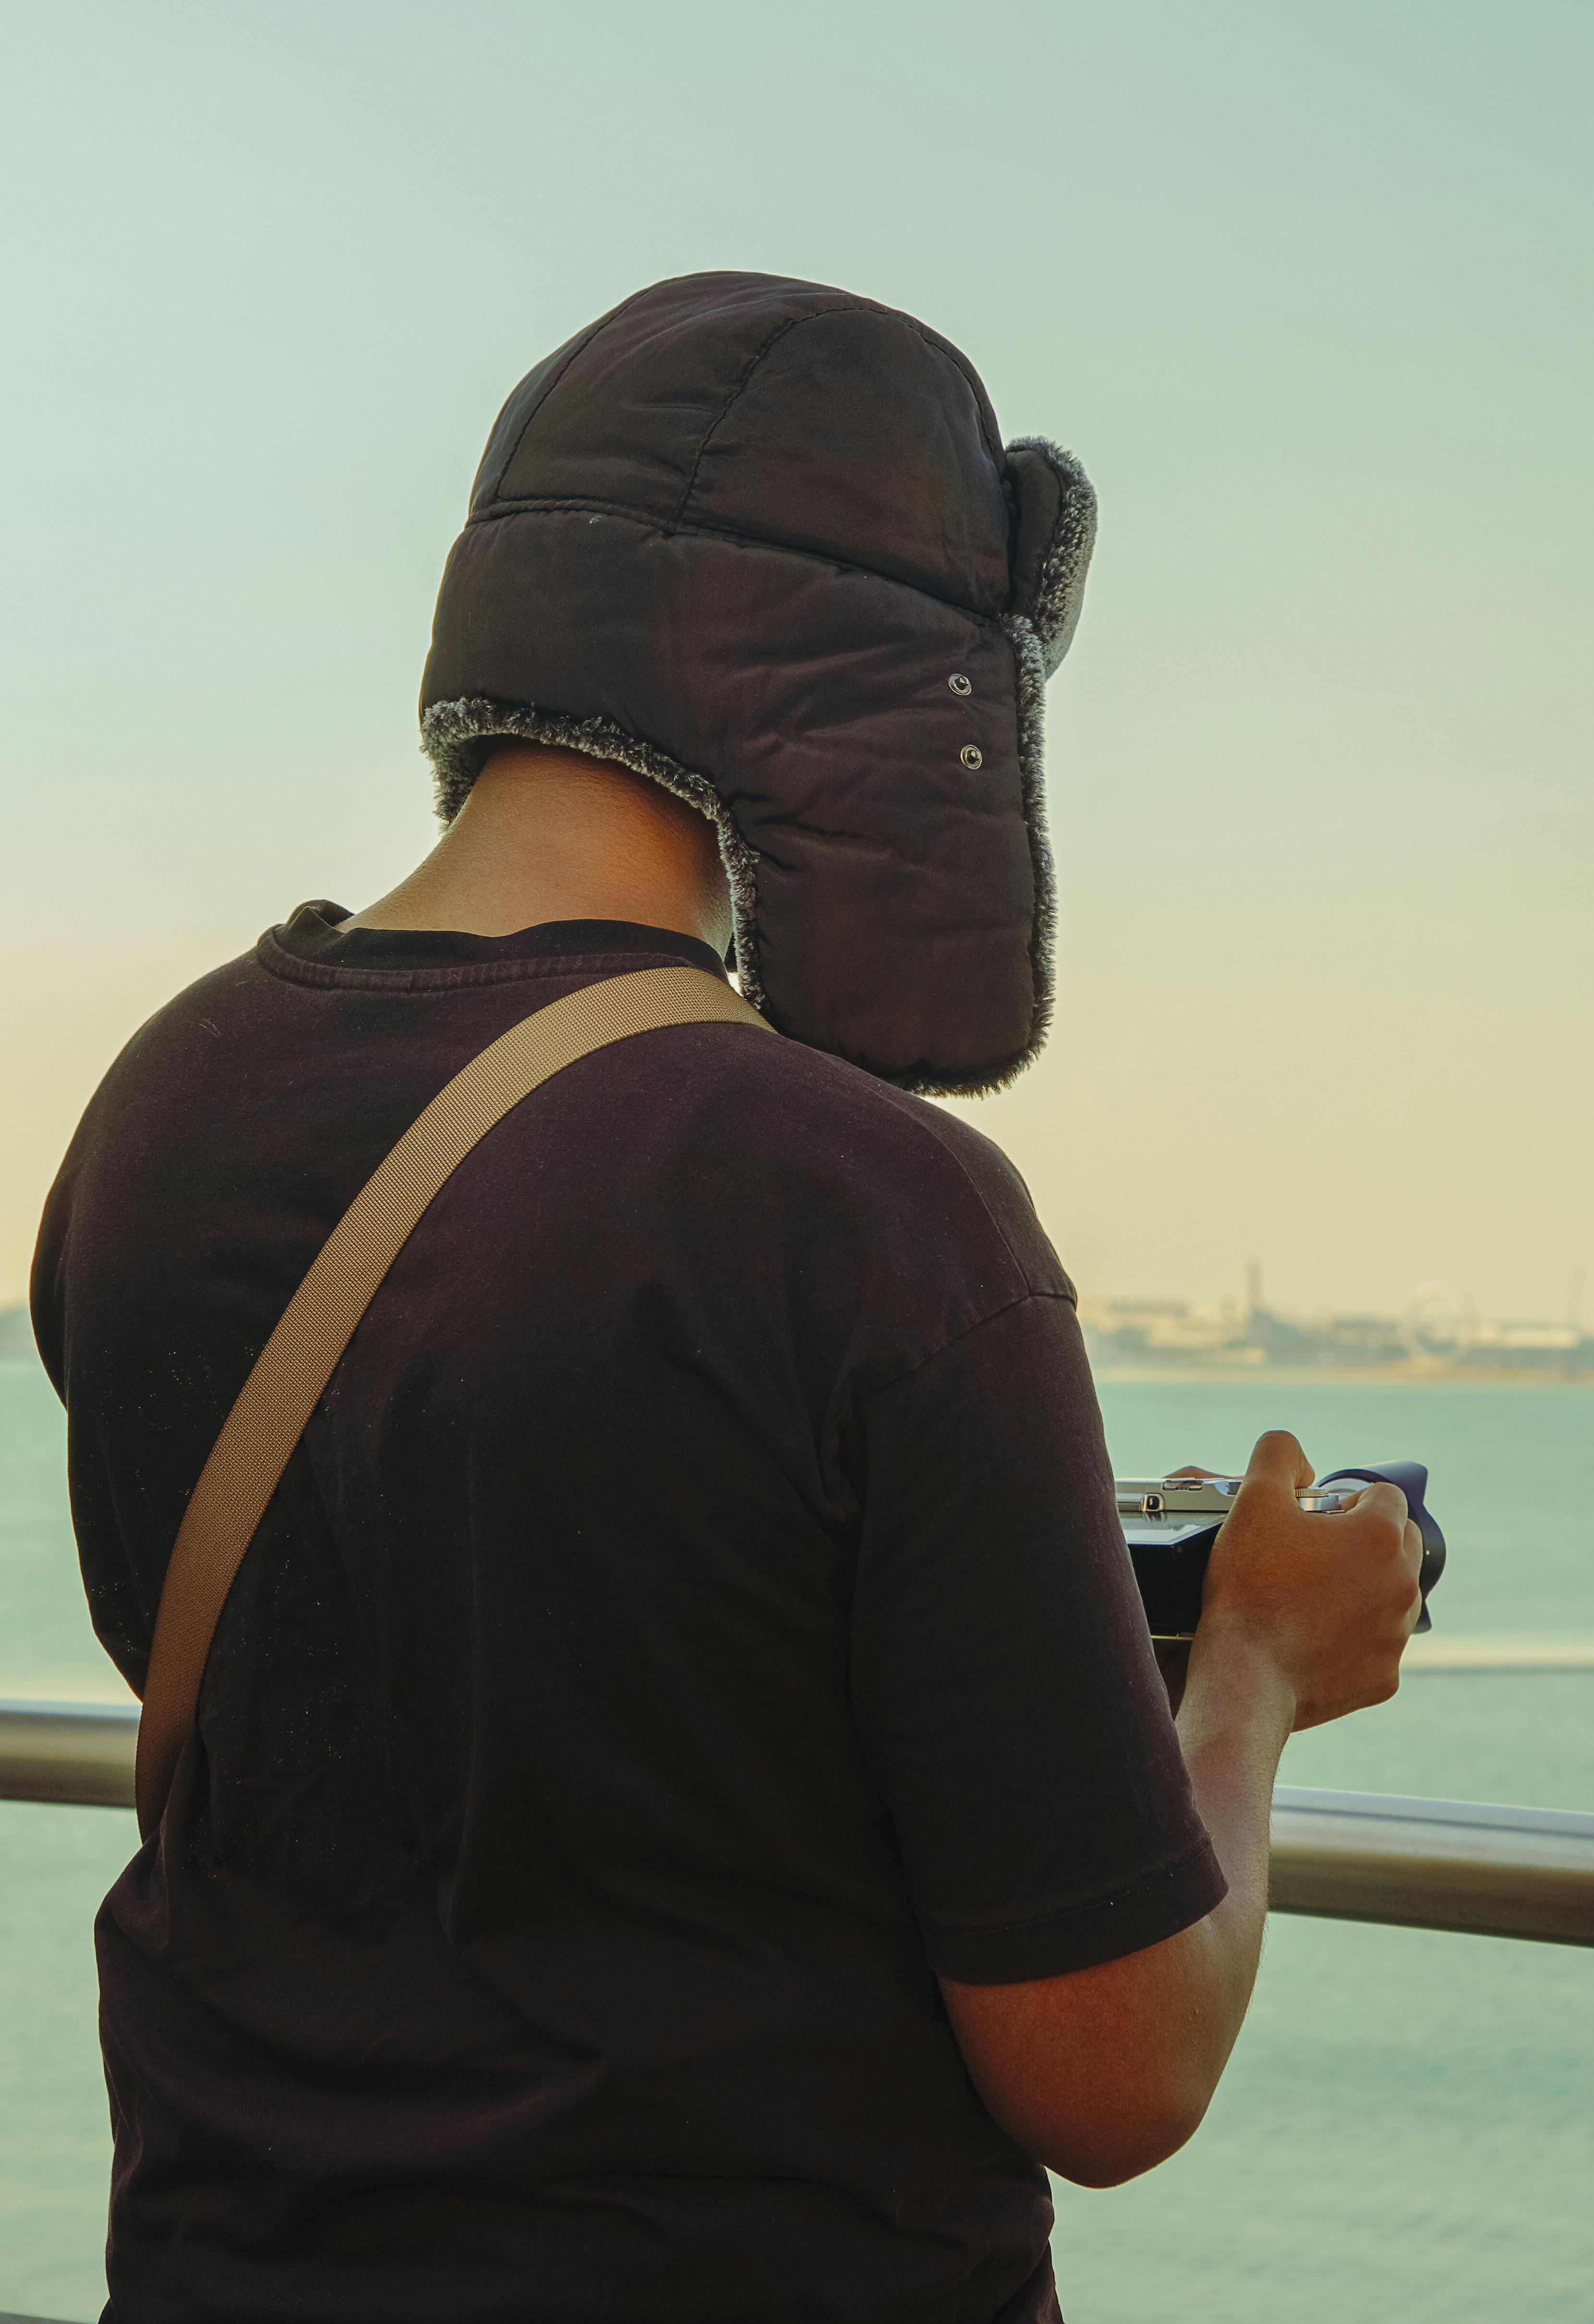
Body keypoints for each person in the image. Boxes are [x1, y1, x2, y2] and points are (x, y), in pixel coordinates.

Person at [33, 270, 1422, 2324]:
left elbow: (376, 1668)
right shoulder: (871, 1209)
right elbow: (1115, 2068)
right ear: (886, 688)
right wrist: (1258, 1675)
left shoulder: (164, 1099)